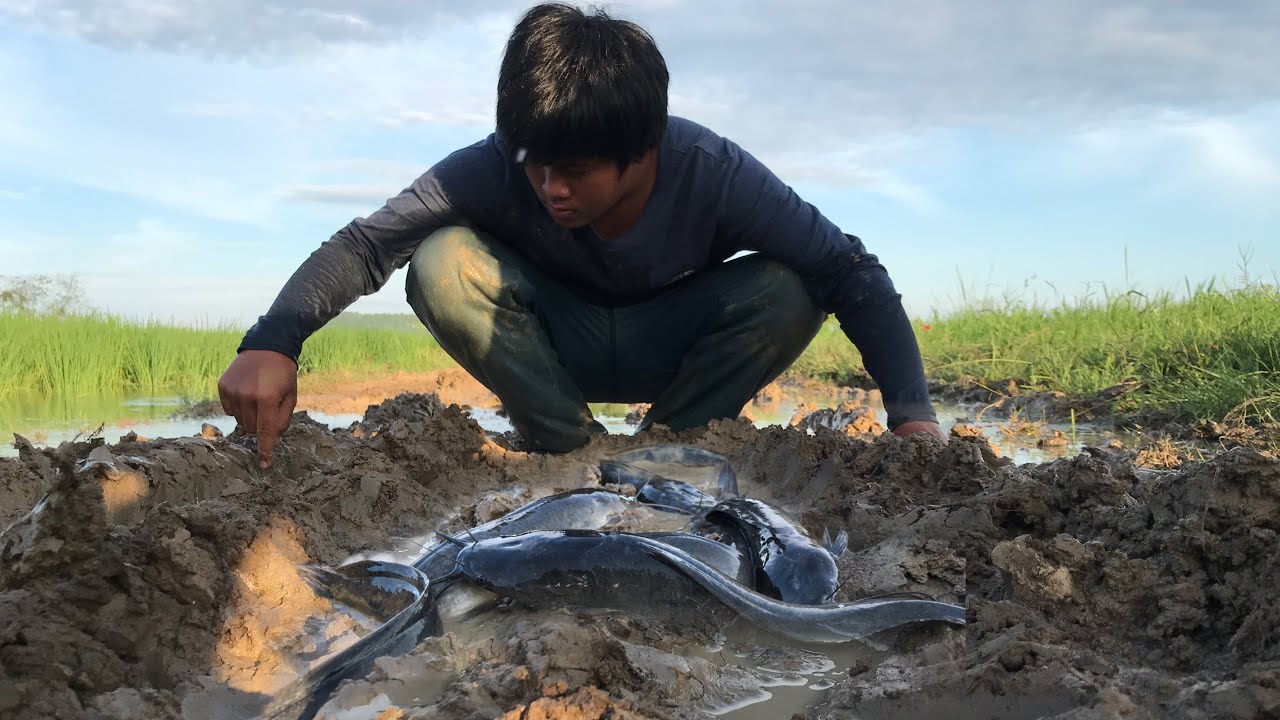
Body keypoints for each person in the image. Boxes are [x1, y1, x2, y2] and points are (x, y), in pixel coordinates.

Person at [219, 2, 946, 469]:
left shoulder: (714, 173)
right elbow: (366, 244)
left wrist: (912, 418)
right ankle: (569, 449)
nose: (550, 188)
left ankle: (671, 447)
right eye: (534, 163)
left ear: (644, 146)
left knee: (792, 286)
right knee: (440, 261)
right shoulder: (498, 166)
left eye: (575, 170)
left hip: (670, 344)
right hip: (553, 347)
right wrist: (272, 340)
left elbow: (852, 272)